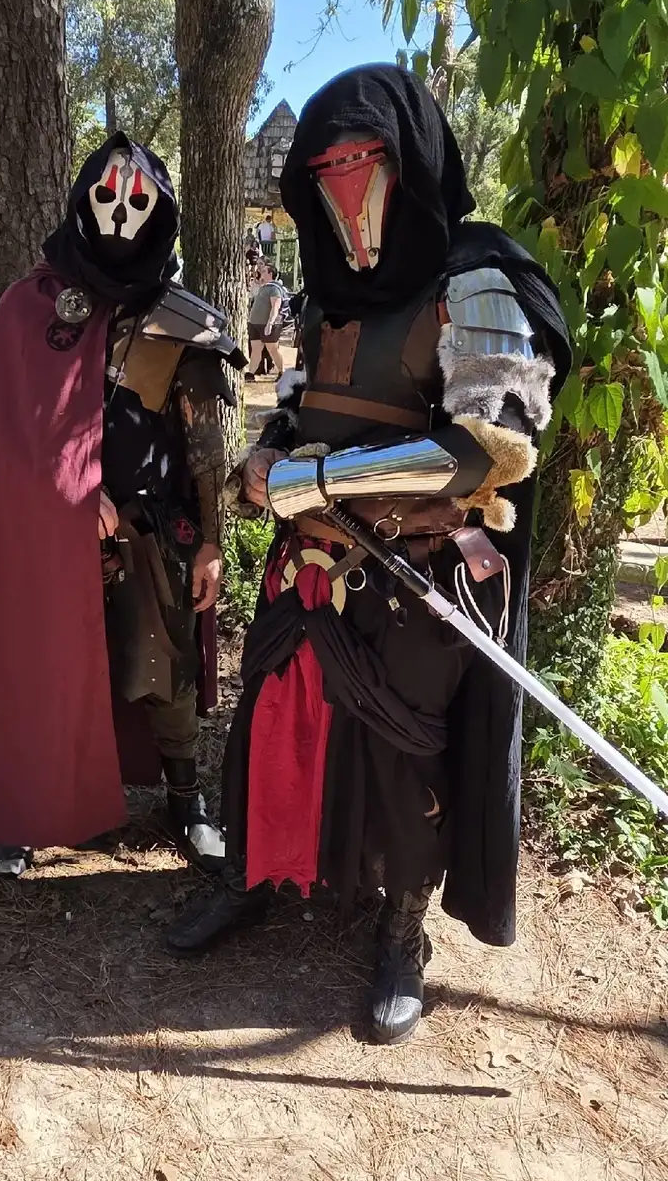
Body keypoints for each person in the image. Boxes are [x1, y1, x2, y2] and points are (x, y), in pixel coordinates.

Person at [163, 65, 571, 1045]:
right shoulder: (328, 294)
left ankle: (401, 934)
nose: (346, 189)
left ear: (411, 160)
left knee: (400, 756)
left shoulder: (474, 280)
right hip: (306, 565)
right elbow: (307, 404)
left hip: (412, 571)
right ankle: (255, 871)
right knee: (271, 723)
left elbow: (491, 447)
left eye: (365, 162)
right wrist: (269, 454)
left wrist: (320, 486)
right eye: (328, 168)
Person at [0, 133, 244, 878]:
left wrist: (212, 541)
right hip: (48, 537)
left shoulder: (183, 323)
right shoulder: (31, 307)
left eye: (138, 201)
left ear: (163, 212)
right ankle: (21, 806)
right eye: (107, 196)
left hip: (153, 527)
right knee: (36, 660)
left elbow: (205, 442)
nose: (119, 212)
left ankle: (187, 800)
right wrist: (68, 494)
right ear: (82, 198)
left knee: (165, 667)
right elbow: (1, 439)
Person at [245, 258, 286, 382]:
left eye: (263, 271)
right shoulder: (263, 287)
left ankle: (281, 372)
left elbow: (275, 307)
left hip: (267, 325)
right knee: (256, 349)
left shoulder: (274, 289)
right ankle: (251, 374)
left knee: (272, 350)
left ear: (270, 274)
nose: (260, 272)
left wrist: (270, 324)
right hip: (255, 324)